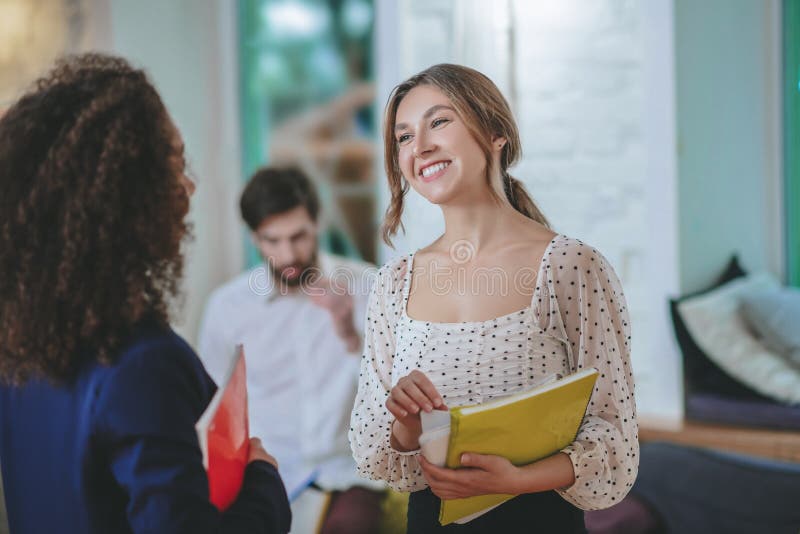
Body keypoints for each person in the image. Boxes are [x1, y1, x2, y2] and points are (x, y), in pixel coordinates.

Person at [0, 54, 291, 534]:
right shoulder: (141, 363)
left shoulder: (23, 347)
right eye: (175, 164)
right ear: (126, 196)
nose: (190, 186)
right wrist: (263, 480)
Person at [349, 63, 639, 532]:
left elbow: (613, 440)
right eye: (403, 137)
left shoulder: (569, 266)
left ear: (494, 132)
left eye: (438, 122)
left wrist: (519, 478)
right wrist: (406, 423)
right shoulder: (393, 283)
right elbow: (373, 452)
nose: (419, 146)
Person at [198, 167, 384, 534]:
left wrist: (348, 332)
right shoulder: (227, 307)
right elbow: (212, 409)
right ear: (255, 238)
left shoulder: (367, 286)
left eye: (298, 236)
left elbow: (391, 392)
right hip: (268, 470)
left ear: (317, 223)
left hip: (346, 470)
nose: (288, 254)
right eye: (272, 240)